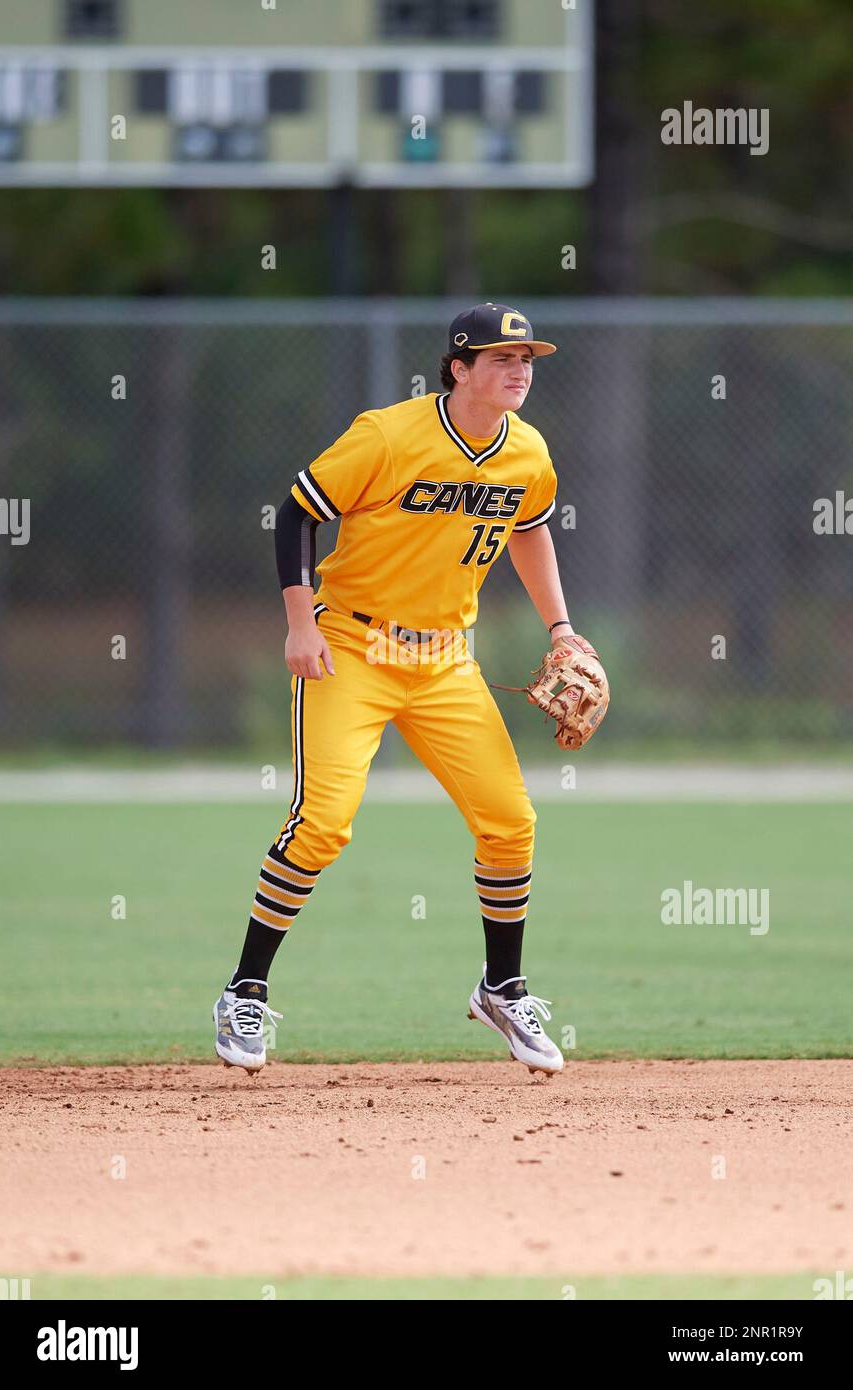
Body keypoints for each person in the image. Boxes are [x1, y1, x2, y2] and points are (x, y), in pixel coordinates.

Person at [214, 303, 589, 1077]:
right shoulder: (388, 434)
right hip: (350, 644)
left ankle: (502, 988)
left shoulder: (528, 451)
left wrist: (561, 629)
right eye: (500, 358)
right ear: (458, 369)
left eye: (527, 359)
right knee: (322, 824)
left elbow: (530, 527)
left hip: (446, 660)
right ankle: (244, 991)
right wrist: (299, 624)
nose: (519, 370)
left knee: (510, 821)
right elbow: (296, 513)